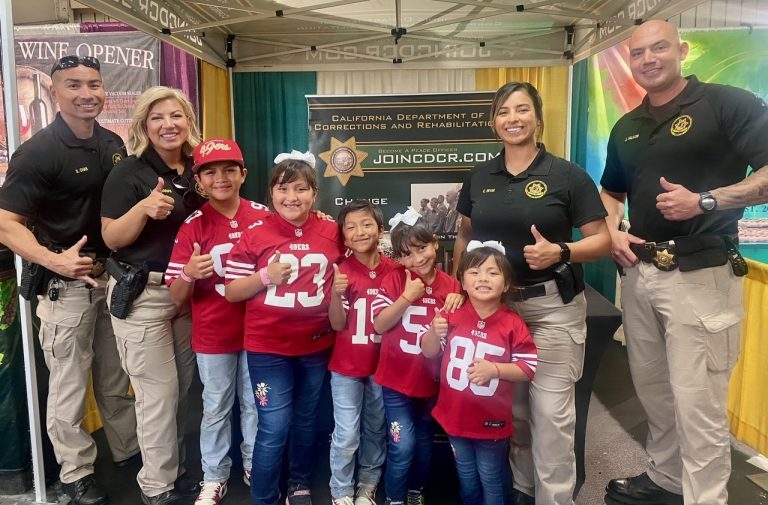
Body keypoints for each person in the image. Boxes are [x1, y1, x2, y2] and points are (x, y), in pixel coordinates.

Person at [600, 20, 768, 505]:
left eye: (659, 48)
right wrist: (612, 230)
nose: (648, 59)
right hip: (641, 273)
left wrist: (709, 201)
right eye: (638, 53)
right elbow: (611, 192)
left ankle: (705, 497)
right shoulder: (627, 126)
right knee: (653, 391)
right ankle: (667, 479)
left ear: (683, 50)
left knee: (699, 405)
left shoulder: (726, 103)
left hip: (702, 274)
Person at [452, 81, 611, 505]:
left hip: (552, 308)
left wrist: (562, 250)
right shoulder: (480, 175)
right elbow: (464, 235)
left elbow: (602, 241)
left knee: (551, 416)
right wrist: (457, 285)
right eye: (504, 112)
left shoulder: (567, 175)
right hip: (499, 312)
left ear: (538, 119)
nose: (513, 119)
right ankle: (524, 491)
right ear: (493, 122)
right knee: (516, 412)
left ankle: (554, 498)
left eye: (522, 110)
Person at [0, 55, 138, 505]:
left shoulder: (112, 143)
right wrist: (53, 260)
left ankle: (127, 452)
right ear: (55, 92)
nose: (87, 94)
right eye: (74, 85)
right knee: (69, 386)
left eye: (94, 85)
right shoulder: (38, 151)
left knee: (116, 378)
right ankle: (76, 473)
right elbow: (5, 222)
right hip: (65, 289)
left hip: (110, 283)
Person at [100, 86, 203, 505]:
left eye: (176, 115)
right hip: (143, 293)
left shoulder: (200, 167)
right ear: (144, 124)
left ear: (188, 121)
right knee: (157, 395)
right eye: (158, 117)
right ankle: (156, 486)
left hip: (188, 292)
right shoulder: (130, 172)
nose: (168, 124)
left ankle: (174, 468)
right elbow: (110, 237)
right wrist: (142, 210)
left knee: (181, 389)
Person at [225, 151, 345, 505]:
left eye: (300, 189)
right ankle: (264, 496)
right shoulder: (255, 233)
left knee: (307, 421)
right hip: (268, 349)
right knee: (274, 426)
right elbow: (232, 292)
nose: (291, 197)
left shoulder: (331, 229)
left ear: (314, 193)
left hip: (315, 346)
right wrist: (265, 277)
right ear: (271, 193)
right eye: (283, 189)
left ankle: (300, 485)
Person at [165, 138, 267, 505]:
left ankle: (257, 466)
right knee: (216, 406)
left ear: (243, 174)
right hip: (213, 333)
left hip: (260, 332)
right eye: (210, 171)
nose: (220, 178)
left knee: (256, 404)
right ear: (199, 181)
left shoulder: (264, 216)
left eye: (228, 169)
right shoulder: (193, 225)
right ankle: (214, 475)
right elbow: (175, 297)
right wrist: (189, 274)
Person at [422, 241, 537, 505]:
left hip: (490, 422)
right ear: (461, 280)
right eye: (474, 272)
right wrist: (433, 330)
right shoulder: (451, 315)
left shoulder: (512, 324)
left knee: (490, 476)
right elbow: (429, 352)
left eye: (493, 272)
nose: (483, 278)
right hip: (455, 418)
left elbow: (529, 367)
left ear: (506, 284)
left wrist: (495, 369)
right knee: (466, 475)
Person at [371, 208, 462, 505]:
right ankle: (394, 498)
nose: (417, 259)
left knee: (423, 442)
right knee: (402, 443)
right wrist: (407, 296)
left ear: (435, 243)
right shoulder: (395, 279)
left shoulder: (450, 286)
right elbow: (380, 324)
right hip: (396, 380)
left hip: (431, 382)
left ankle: (415, 493)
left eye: (422, 248)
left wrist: (459, 299)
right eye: (406, 254)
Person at [327, 200, 398, 505]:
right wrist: (336, 293)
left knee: (375, 428)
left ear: (380, 231)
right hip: (346, 367)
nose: (360, 232)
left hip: (383, 367)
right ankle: (340, 489)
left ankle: (367, 483)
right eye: (351, 227)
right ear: (343, 236)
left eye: (367, 224)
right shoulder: (340, 270)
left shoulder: (396, 271)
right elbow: (337, 322)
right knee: (346, 434)